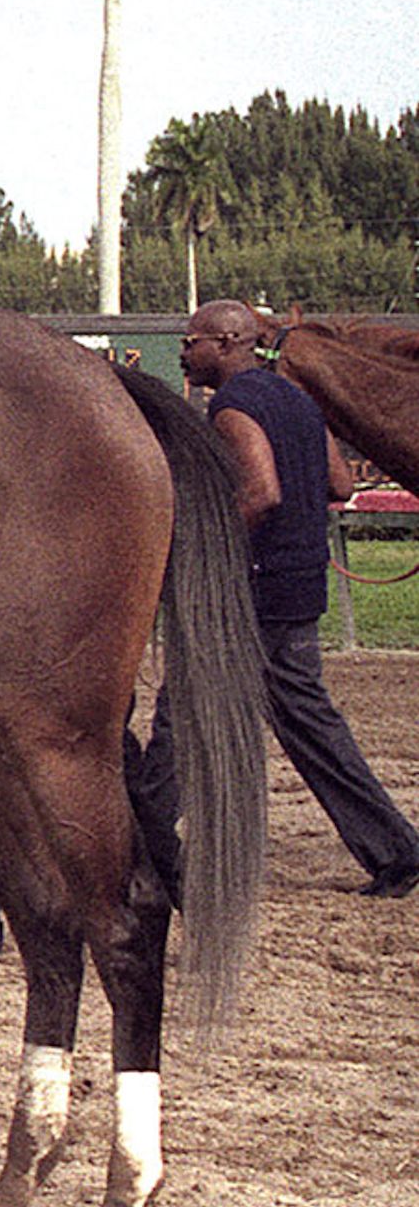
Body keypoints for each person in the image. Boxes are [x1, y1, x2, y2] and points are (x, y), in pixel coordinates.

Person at [154, 301, 419, 898]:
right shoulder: (301, 401)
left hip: (249, 593)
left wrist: (200, 554)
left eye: (192, 341)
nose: (184, 352)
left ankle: (149, 846)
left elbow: (261, 493)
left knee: (179, 721)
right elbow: (341, 484)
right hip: (299, 588)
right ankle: (396, 851)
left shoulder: (232, 407)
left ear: (226, 343)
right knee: (312, 727)